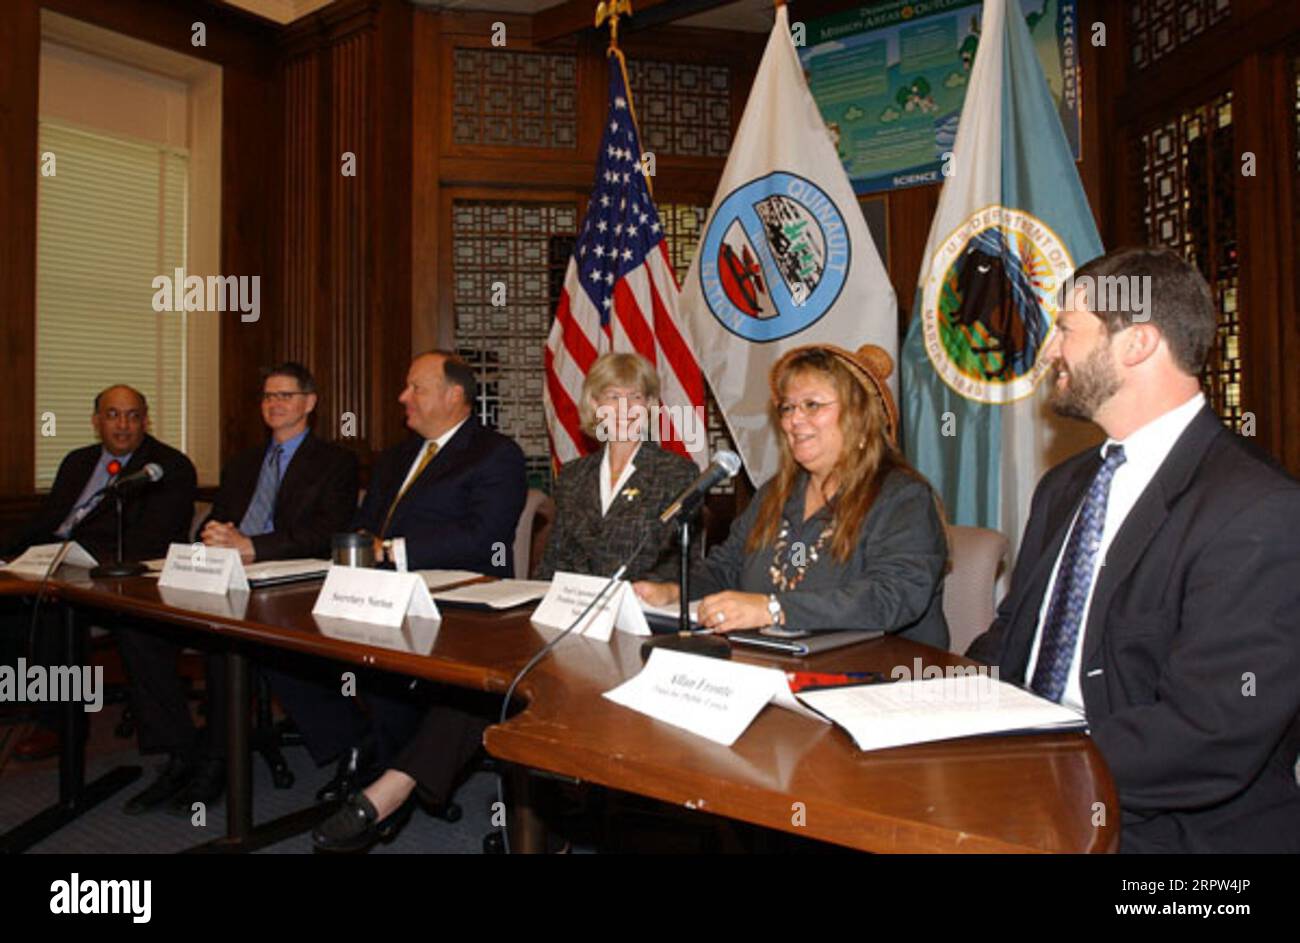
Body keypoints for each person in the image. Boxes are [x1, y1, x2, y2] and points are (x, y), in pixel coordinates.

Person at [966, 246, 1300, 853]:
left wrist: (1025, 766)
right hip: (1028, 793)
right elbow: (1010, 638)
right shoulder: (1064, 485)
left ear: (1137, 343)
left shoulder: (1259, 510)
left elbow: (1211, 733)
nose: (1049, 351)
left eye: (1066, 329)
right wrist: (931, 711)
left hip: (1173, 842)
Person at [270, 351, 526, 847]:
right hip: (376, 592)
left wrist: (394, 550)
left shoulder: (495, 454)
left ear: (455, 396)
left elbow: (485, 536)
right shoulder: (396, 455)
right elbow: (366, 525)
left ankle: (387, 781)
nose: (402, 398)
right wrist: (363, 549)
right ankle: (359, 749)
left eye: (416, 388)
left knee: (389, 666)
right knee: (277, 638)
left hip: (457, 603)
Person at [117, 362, 359, 815]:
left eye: (285, 396)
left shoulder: (336, 463)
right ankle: (181, 748)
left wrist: (253, 546)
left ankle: (219, 760)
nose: (274, 404)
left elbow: (326, 533)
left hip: (286, 582)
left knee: (221, 634)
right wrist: (211, 536)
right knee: (138, 629)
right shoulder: (244, 462)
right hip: (223, 573)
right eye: (267, 396)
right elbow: (217, 518)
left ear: (310, 403)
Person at [634, 344, 948, 648]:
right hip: (776, 665)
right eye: (787, 407)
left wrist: (773, 608)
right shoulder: (776, 493)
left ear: (860, 417)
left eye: (812, 405)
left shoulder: (904, 499)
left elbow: (892, 596)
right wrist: (673, 593)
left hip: (883, 678)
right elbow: (725, 569)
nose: (793, 420)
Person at [1, 385, 196, 762]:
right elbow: (48, 521)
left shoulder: (167, 467)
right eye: (112, 415)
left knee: (54, 612)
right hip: (52, 562)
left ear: (145, 420)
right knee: (12, 611)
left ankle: (58, 725)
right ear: (96, 422)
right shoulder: (78, 462)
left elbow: (155, 541)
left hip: (113, 576)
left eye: (133, 416)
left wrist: (81, 561)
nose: (123, 426)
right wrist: (11, 556)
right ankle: (31, 703)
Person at [537, 351, 700, 582]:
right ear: (594, 404)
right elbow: (555, 558)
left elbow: (678, 565)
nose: (625, 407)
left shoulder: (677, 473)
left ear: (649, 405)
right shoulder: (572, 475)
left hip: (640, 607)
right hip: (574, 605)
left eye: (635, 396)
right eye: (613, 396)